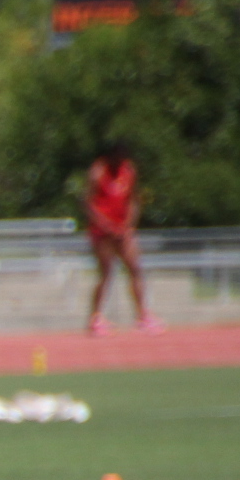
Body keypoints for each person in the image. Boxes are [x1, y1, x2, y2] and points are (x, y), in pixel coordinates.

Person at [84, 140, 160, 337]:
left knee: (135, 268)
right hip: (103, 233)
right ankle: (96, 317)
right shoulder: (98, 172)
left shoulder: (128, 171)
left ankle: (143, 315)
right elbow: (89, 204)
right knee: (106, 273)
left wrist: (128, 225)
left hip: (122, 231)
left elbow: (134, 200)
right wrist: (106, 225)